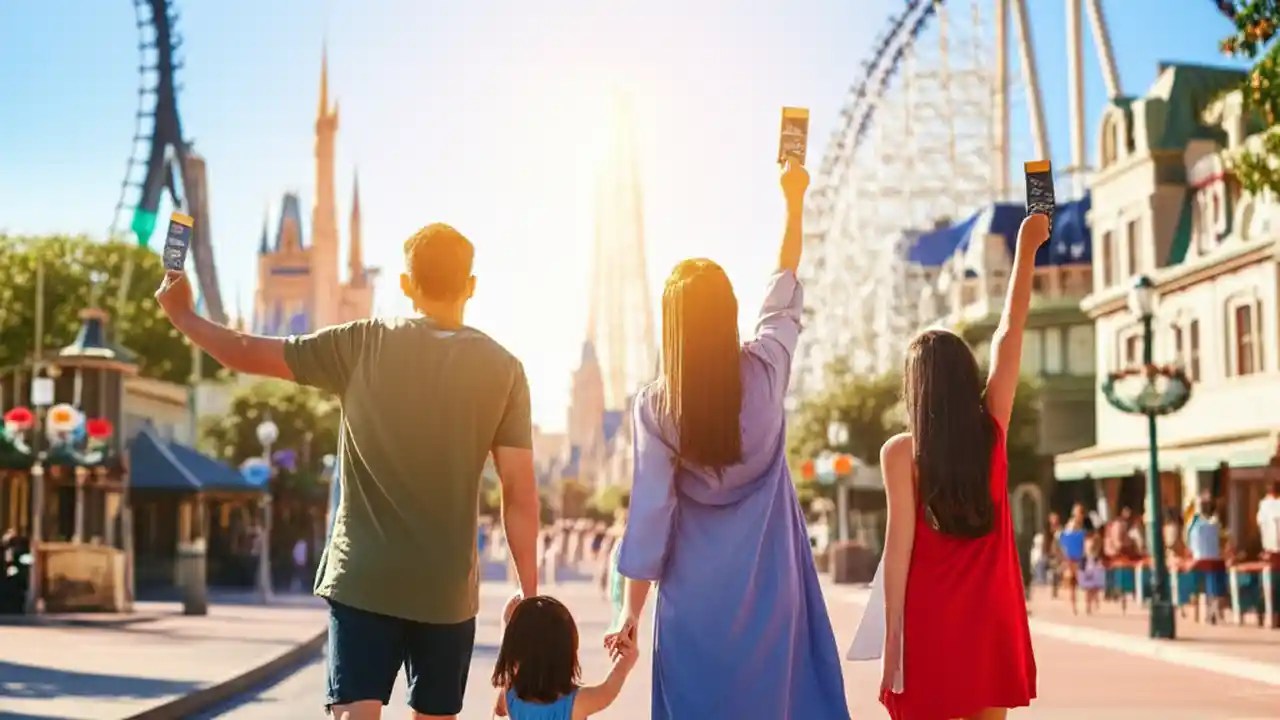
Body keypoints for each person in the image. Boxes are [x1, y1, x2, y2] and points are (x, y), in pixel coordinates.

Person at [155, 223, 541, 720]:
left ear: (406, 285)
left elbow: (244, 351)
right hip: (446, 590)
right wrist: (529, 596)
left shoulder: (362, 343)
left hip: (361, 580)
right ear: (470, 285)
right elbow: (519, 492)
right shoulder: (505, 370)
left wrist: (183, 315)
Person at [604, 159, 850, 719]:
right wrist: (794, 199)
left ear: (673, 328)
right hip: (773, 596)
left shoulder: (657, 407)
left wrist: (629, 613)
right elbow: (783, 285)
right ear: (731, 312)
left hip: (692, 607)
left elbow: (649, 517)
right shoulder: (767, 370)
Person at [876, 212, 1047, 720]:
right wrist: (1026, 251)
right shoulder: (991, 429)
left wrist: (892, 638)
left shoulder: (900, 454)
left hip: (929, 618)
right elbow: (1009, 333)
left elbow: (898, 550)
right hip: (992, 615)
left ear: (916, 389)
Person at [492, 596, 638, 720]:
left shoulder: (510, 696)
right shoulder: (576, 703)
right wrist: (625, 661)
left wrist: (507, 624)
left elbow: (499, 708)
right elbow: (607, 691)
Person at [1078, 535, 1106, 615]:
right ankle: (1089, 606)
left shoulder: (1096, 553)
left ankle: (1091, 604)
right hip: (1088, 569)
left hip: (1092, 569)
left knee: (1092, 589)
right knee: (1090, 590)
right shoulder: (1089, 550)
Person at [1258, 481, 1280, 557]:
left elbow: (1260, 520)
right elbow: (1260, 520)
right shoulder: (1265, 503)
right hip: (1271, 543)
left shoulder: (1265, 503)